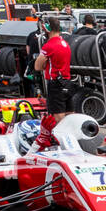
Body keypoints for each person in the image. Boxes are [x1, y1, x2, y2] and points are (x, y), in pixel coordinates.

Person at [31, 16, 72, 150]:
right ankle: (71, 141)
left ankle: (62, 145)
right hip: (67, 81)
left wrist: (44, 64)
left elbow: (37, 66)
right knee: (68, 113)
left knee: (58, 115)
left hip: (55, 83)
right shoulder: (65, 43)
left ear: (47, 28)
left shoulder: (49, 45)